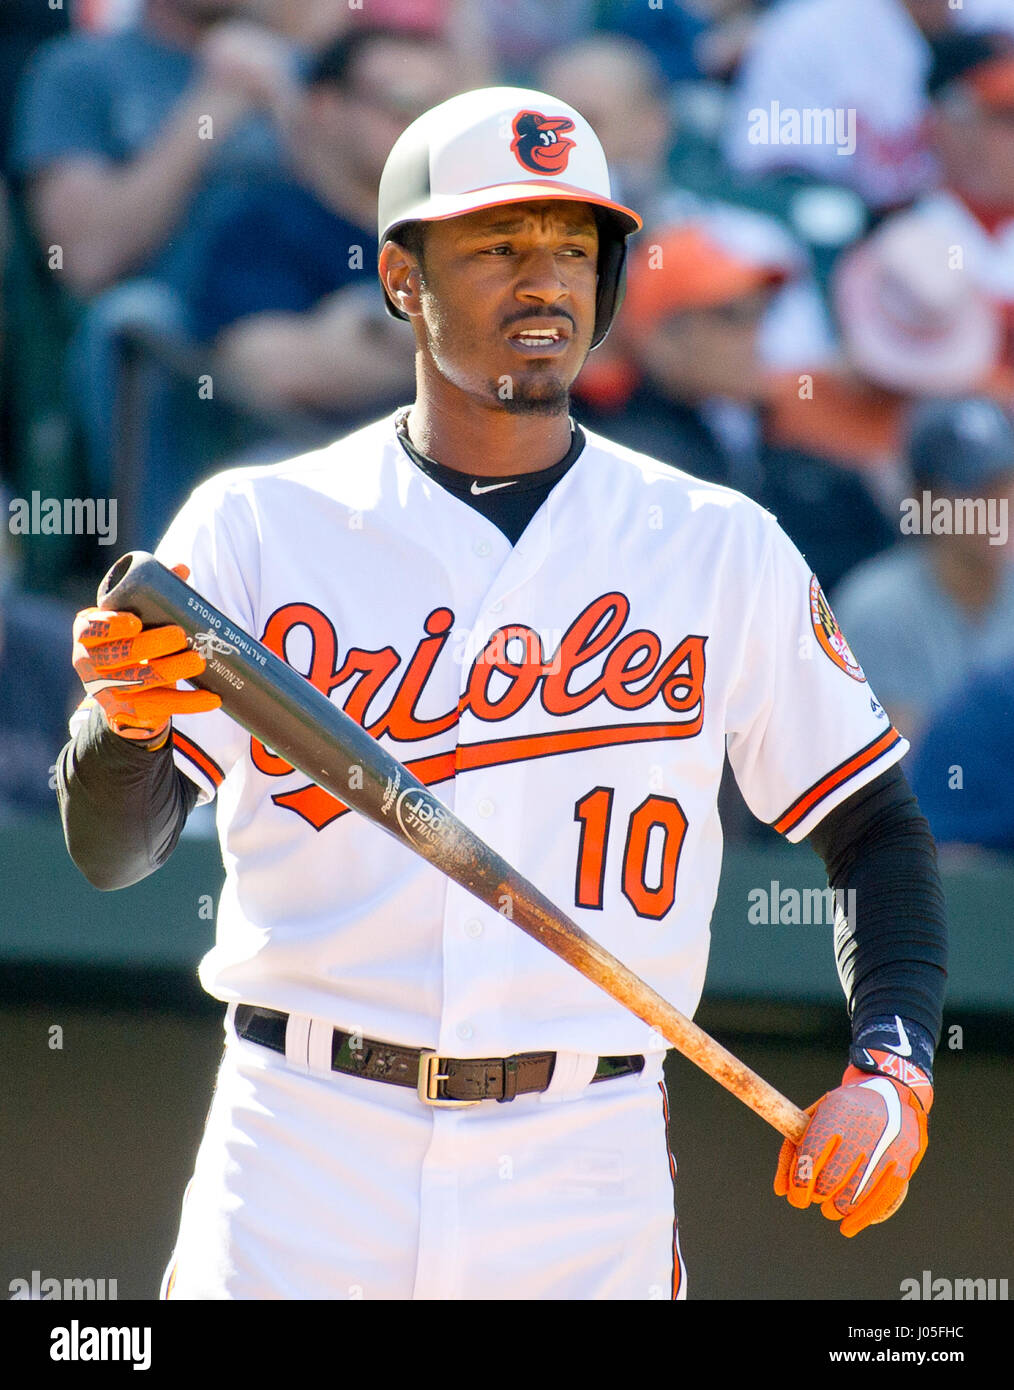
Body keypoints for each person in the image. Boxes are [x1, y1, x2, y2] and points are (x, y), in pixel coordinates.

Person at [57, 87, 947, 1300]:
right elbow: (111, 850)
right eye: (496, 245)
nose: (545, 281)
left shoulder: (715, 544)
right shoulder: (262, 524)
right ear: (402, 279)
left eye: (574, 248)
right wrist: (127, 726)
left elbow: (875, 827)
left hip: (582, 1161)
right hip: (305, 1142)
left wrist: (892, 1066)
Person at [188, 26, 459, 422]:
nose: (422, 128)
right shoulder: (265, 222)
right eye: (402, 104)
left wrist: (376, 333)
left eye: (440, 112)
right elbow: (265, 371)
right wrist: (455, 352)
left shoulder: (465, 227)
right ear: (326, 108)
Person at [833, 397, 1014, 750]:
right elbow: (895, 761)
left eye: (1007, 484)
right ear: (924, 499)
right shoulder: (877, 607)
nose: (999, 504)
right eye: (976, 491)